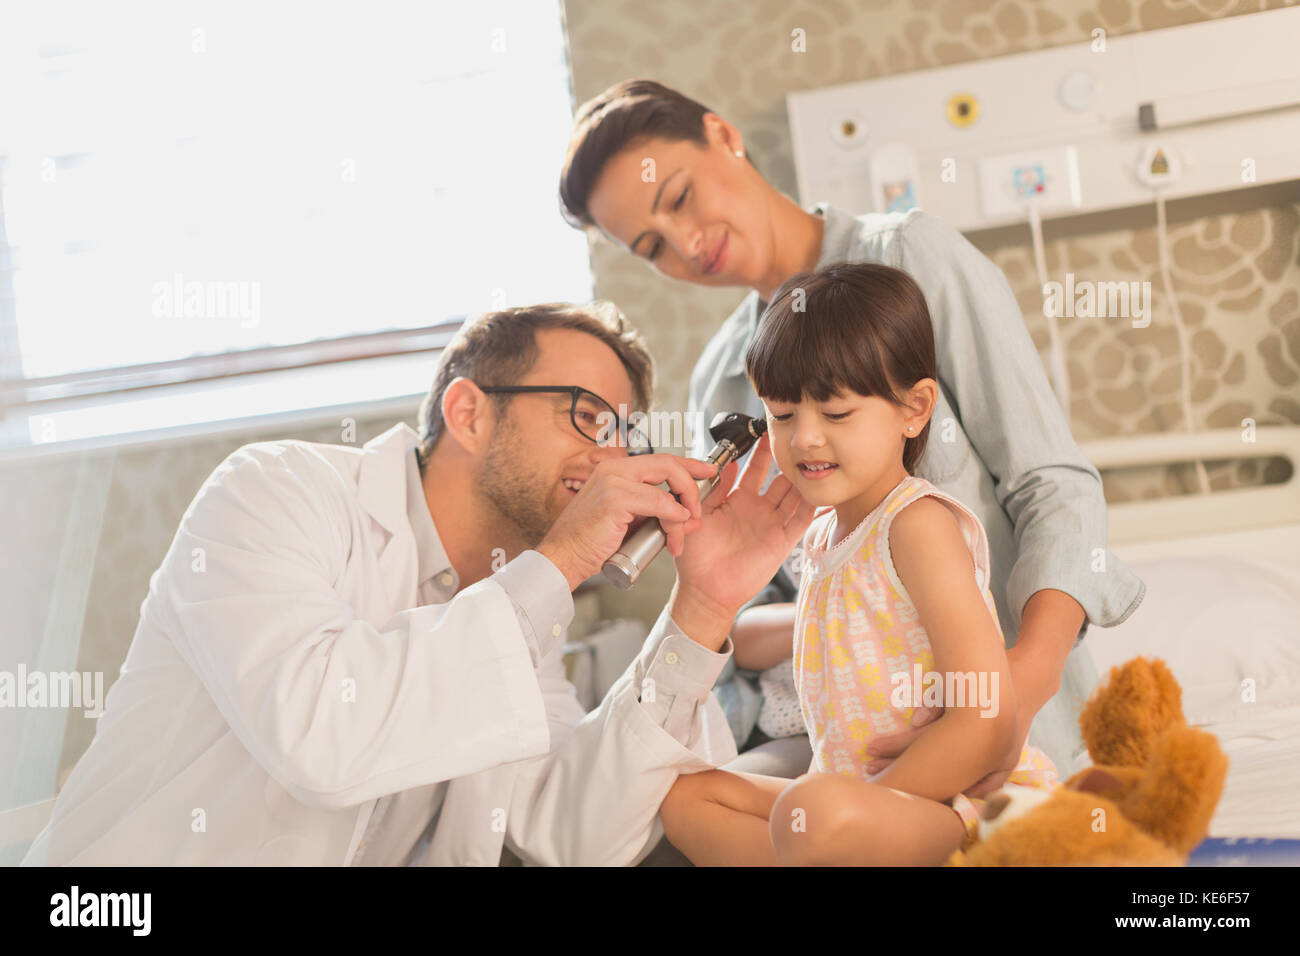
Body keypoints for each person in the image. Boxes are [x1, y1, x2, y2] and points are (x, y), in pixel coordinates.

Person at [21, 302, 815, 867]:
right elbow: (321, 741)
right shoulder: (274, 492)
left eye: (624, 434)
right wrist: (565, 560)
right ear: (468, 412)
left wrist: (702, 607)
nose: (610, 457)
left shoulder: (519, 624)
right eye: (585, 416)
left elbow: (578, 837)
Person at [558, 79, 1145, 789]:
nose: (685, 243)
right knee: (679, 810)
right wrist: (847, 595)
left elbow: (1052, 485)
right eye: (651, 245)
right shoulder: (725, 384)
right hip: (837, 737)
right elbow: (744, 621)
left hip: (1004, 717)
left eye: (679, 198)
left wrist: (1023, 682)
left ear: (723, 136)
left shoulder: (912, 262)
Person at [660, 262, 1060, 865]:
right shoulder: (821, 536)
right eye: (783, 414)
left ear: (914, 408)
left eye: (836, 414)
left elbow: (985, 715)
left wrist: (863, 806)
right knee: (686, 797)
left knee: (815, 819)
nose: (805, 440)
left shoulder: (917, 525)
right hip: (846, 802)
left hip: (958, 810)